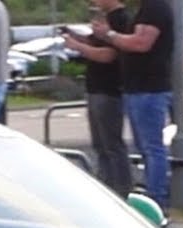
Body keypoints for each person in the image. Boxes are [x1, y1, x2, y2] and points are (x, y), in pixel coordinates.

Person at [92, 0, 174, 207]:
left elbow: (140, 43)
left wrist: (109, 35)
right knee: (145, 146)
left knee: (152, 147)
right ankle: (152, 192)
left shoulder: (154, 8)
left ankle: (157, 197)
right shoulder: (145, 9)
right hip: (137, 88)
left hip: (149, 88)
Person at [61, 0, 133, 197]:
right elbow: (97, 45)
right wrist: (79, 39)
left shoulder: (119, 20)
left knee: (111, 144)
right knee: (100, 145)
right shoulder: (106, 19)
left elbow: (108, 55)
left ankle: (120, 189)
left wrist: (78, 46)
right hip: (96, 88)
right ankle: (106, 186)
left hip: (108, 89)